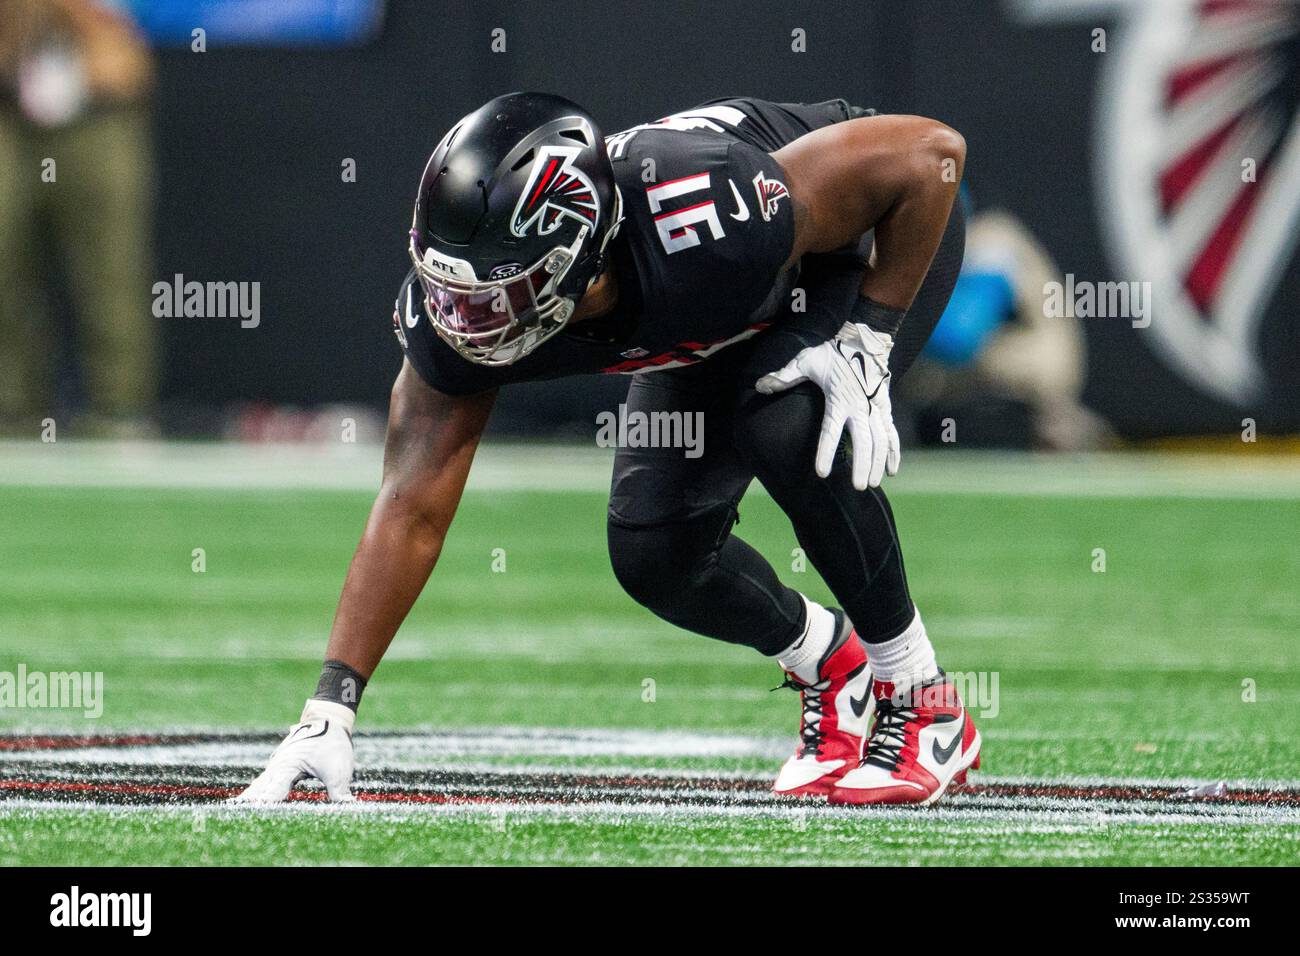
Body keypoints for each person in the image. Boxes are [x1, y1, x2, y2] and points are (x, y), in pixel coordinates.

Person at [235, 92, 979, 807]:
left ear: (582, 258)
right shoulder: (459, 314)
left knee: (789, 423)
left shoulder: (705, 208)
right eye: (450, 289)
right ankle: (830, 663)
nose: (465, 319)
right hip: (726, 306)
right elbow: (410, 506)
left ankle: (926, 702)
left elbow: (931, 155)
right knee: (657, 552)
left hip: (859, 245)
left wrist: (868, 338)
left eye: (497, 292)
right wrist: (330, 708)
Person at [0, 0, 157, 436]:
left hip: (99, 103)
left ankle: (120, 412)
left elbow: (123, 39)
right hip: (9, 105)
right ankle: (13, 409)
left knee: (112, 270)